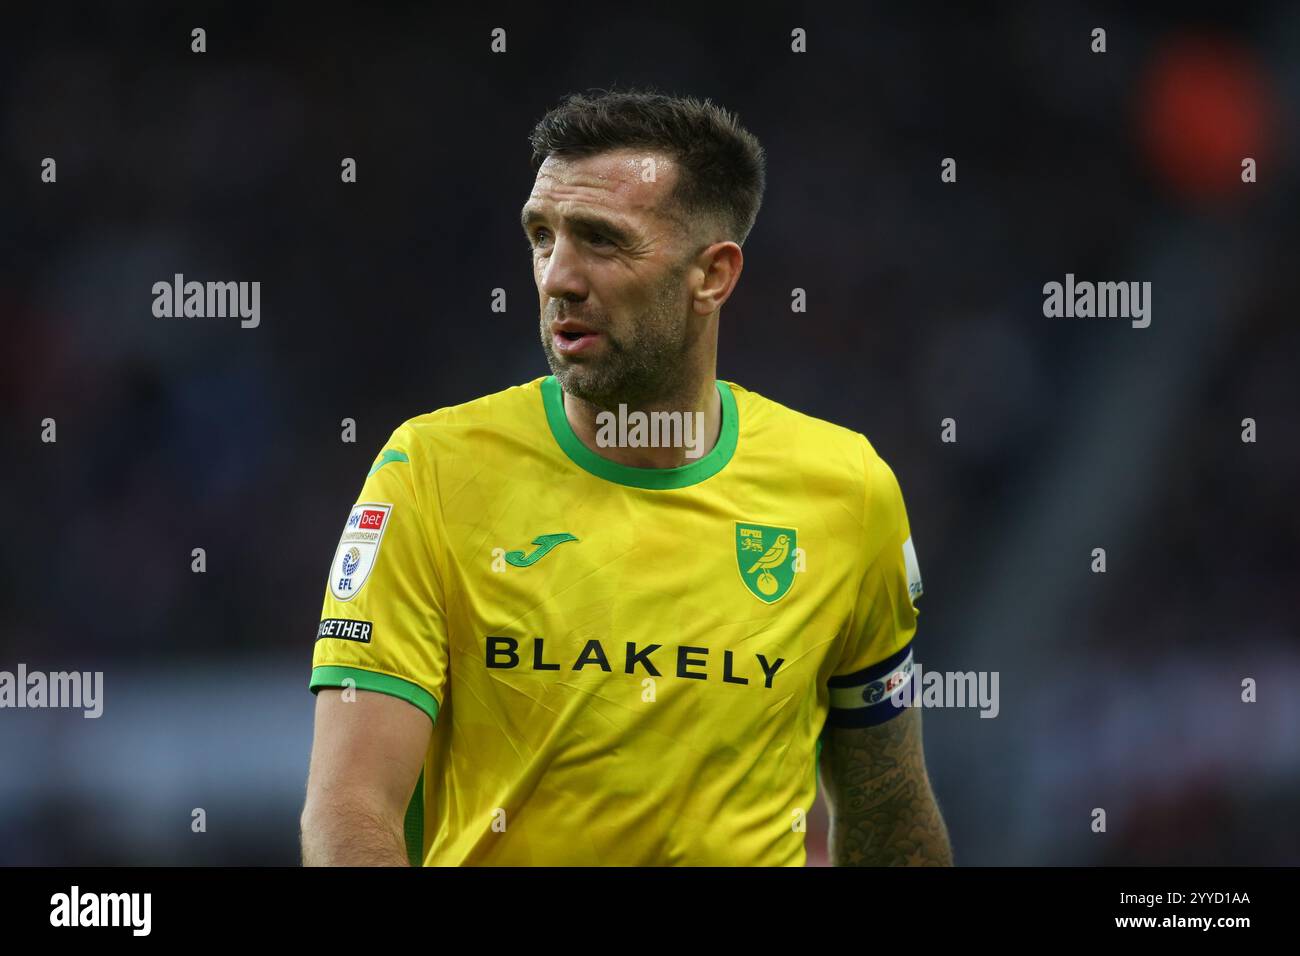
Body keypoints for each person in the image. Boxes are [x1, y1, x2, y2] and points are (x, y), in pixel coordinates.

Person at [300, 89, 952, 866]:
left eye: (602, 242)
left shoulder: (847, 493)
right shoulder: (431, 473)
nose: (556, 278)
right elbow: (352, 806)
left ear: (712, 276)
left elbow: (889, 811)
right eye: (543, 237)